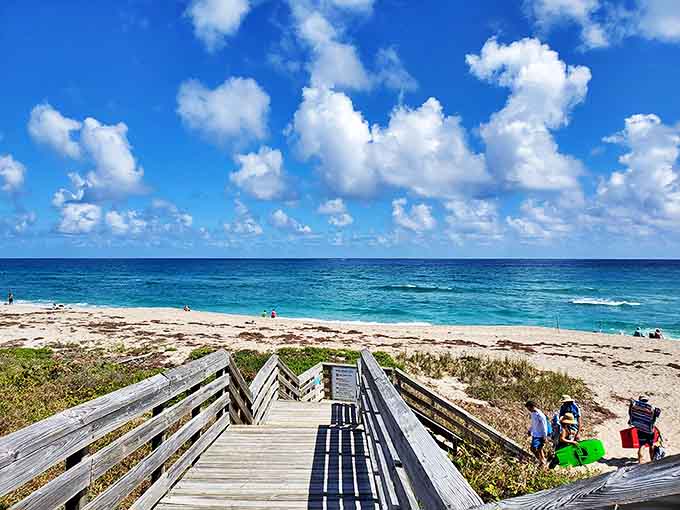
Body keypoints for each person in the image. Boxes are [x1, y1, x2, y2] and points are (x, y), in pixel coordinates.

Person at [628, 395, 661, 463]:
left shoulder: (634, 408)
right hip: (649, 430)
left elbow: (630, 414)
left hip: (640, 429)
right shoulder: (651, 409)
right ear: (647, 401)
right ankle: (652, 460)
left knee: (642, 445)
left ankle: (640, 461)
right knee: (651, 445)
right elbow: (657, 415)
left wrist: (631, 405)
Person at [525, 400, 548, 466]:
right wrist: (530, 430)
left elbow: (544, 426)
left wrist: (544, 436)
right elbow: (533, 423)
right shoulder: (533, 413)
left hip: (540, 435)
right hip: (535, 433)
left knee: (533, 448)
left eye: (529, 408)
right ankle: (543, 460)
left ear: (532, 407)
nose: (528, 410)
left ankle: (541, 460)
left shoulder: (540, 415)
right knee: (540, 448)